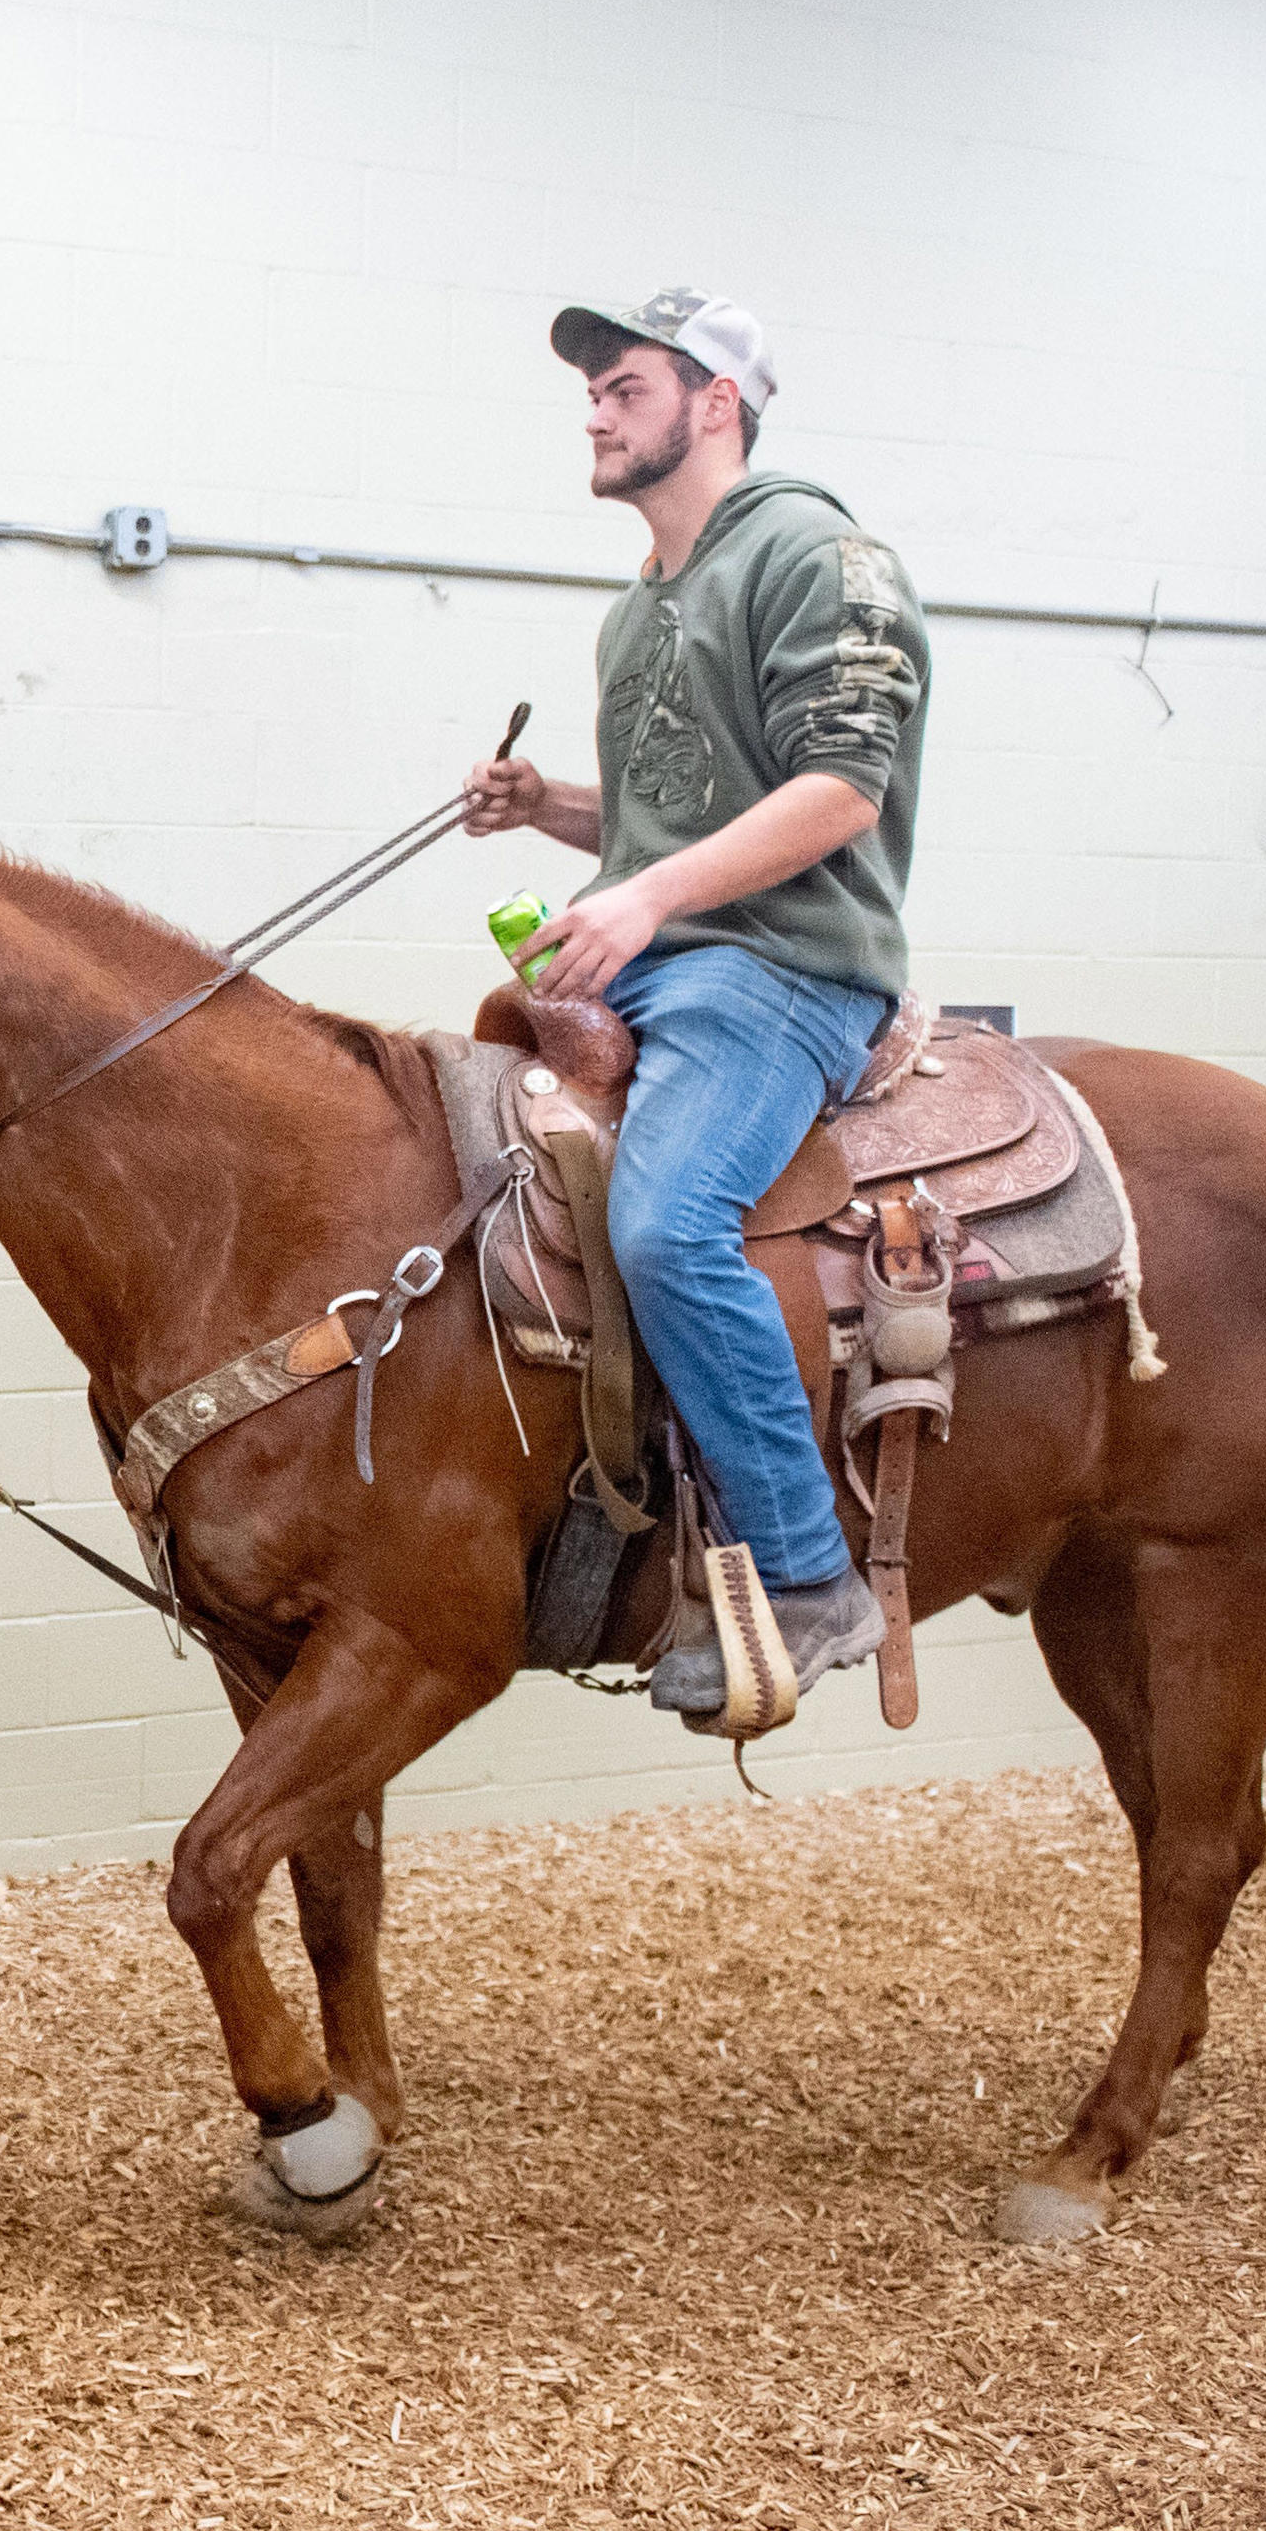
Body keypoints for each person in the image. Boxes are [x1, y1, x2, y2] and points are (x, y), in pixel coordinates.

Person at [457, 287, 931, 1719]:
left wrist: (651, 900)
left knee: (665, 1221)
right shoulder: (636, 612)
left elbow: (842, 790)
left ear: (716, 400)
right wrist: (554, 812)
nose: (595, 408)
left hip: (786, 970)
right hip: (666, 961)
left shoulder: (818, 553)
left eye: (627, 386)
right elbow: (674, 829)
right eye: (591, 390)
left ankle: (807, 1577)